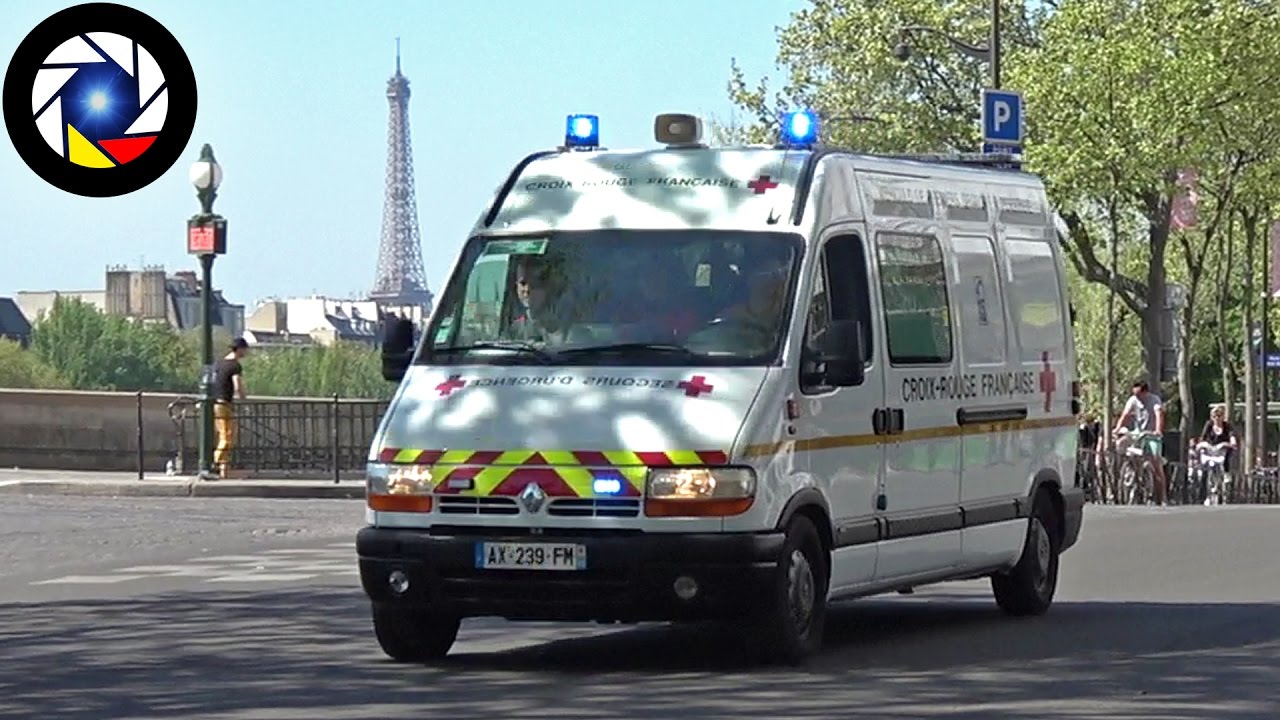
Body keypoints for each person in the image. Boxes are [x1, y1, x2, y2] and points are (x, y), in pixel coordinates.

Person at [1113, 377, 1167, 505]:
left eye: (1139, 395)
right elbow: (1125, 415)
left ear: (1145, 392)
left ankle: (1162, 496)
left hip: (1151, 434)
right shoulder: (1133, 400)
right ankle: (1130, 472)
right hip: (1138, 432)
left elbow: (1159, 414)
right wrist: (1118, 428)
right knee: (1125, 444)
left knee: (1156, 462)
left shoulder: (1154, 400)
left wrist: (1158, 431)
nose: (1137, 398)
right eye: (1135, 395)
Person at [211, 337, 249, 479]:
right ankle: (214, 462)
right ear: (239, 349)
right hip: (225, 404)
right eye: (245, 349)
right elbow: (237, 385)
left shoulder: (219, 363)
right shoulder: (235, 366)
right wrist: (244, 399)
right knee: (227, 436)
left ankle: (223, 468)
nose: (246, 352)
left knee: (223, 434)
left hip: (215, 403)